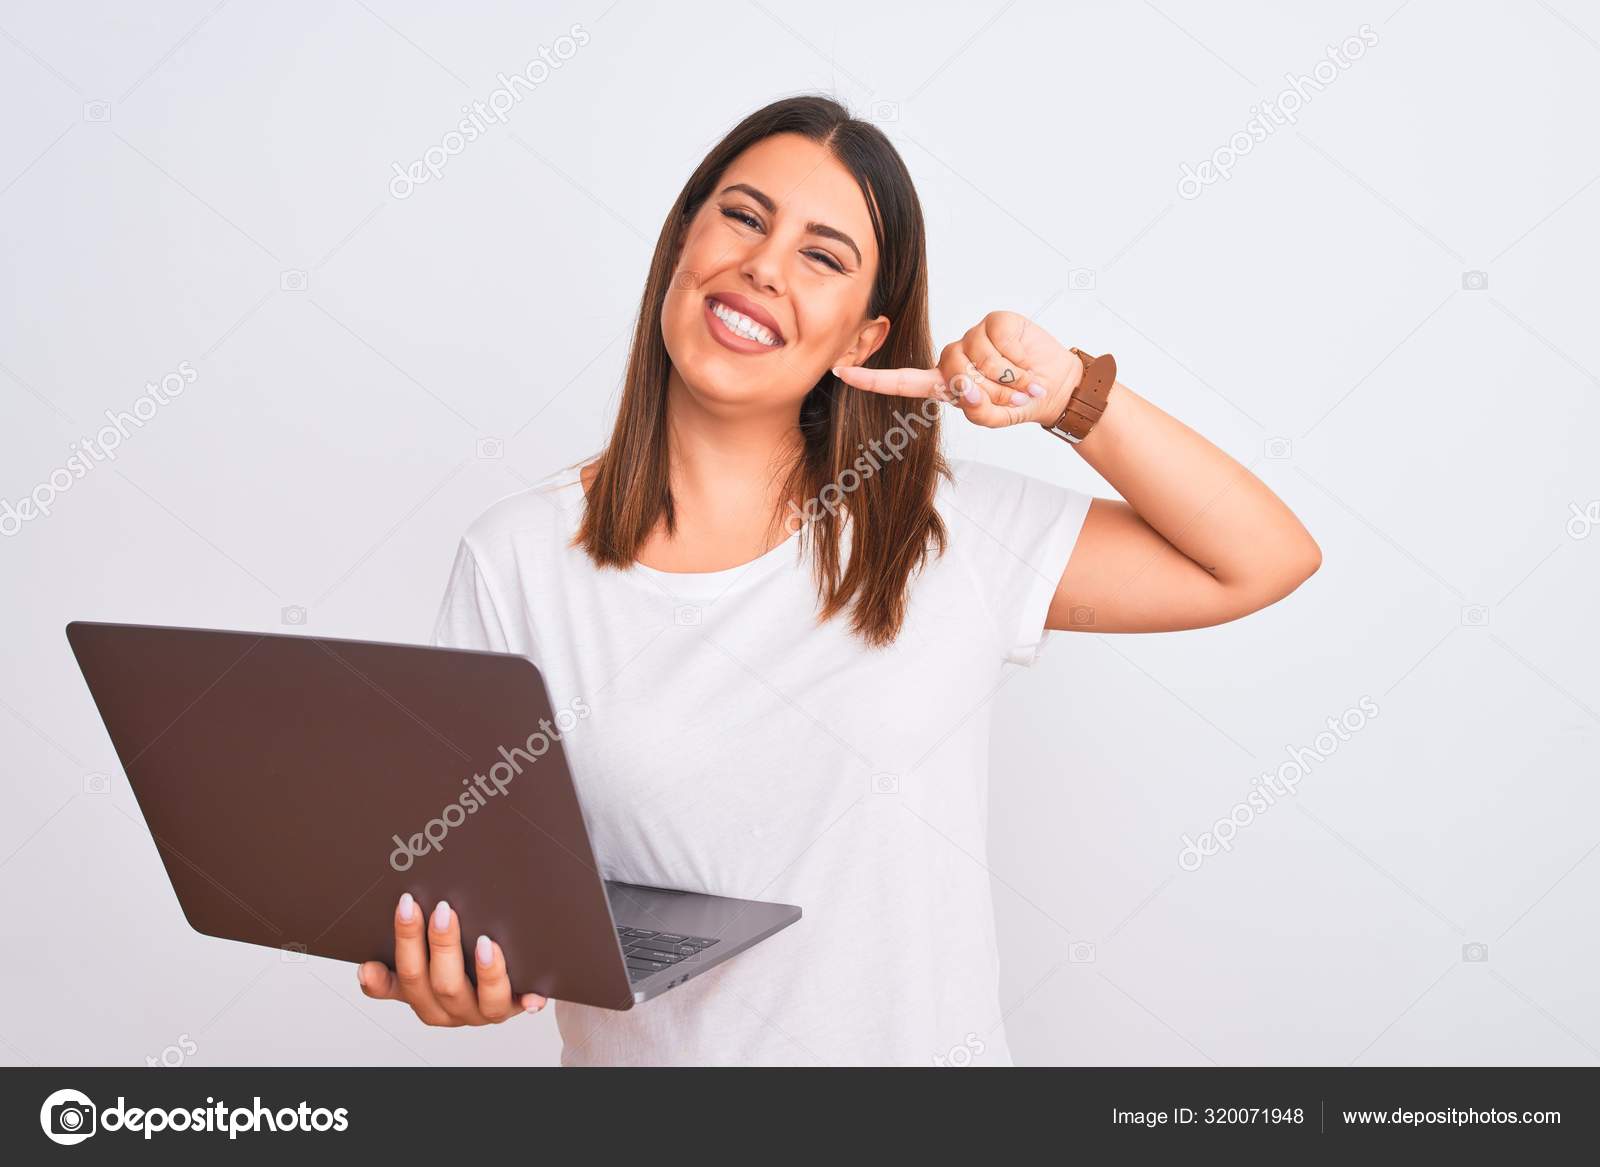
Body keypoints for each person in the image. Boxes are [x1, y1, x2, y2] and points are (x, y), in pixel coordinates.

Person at [355, 95, 1320, 1065]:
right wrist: (453, 970)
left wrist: (1071, 394)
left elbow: (1260, 559)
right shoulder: (517, 558)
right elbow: (456, 895)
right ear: (681, 244)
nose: (763, 267)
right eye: (741, 217)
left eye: (823, 257)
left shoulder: (943, 528)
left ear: (862, 338)